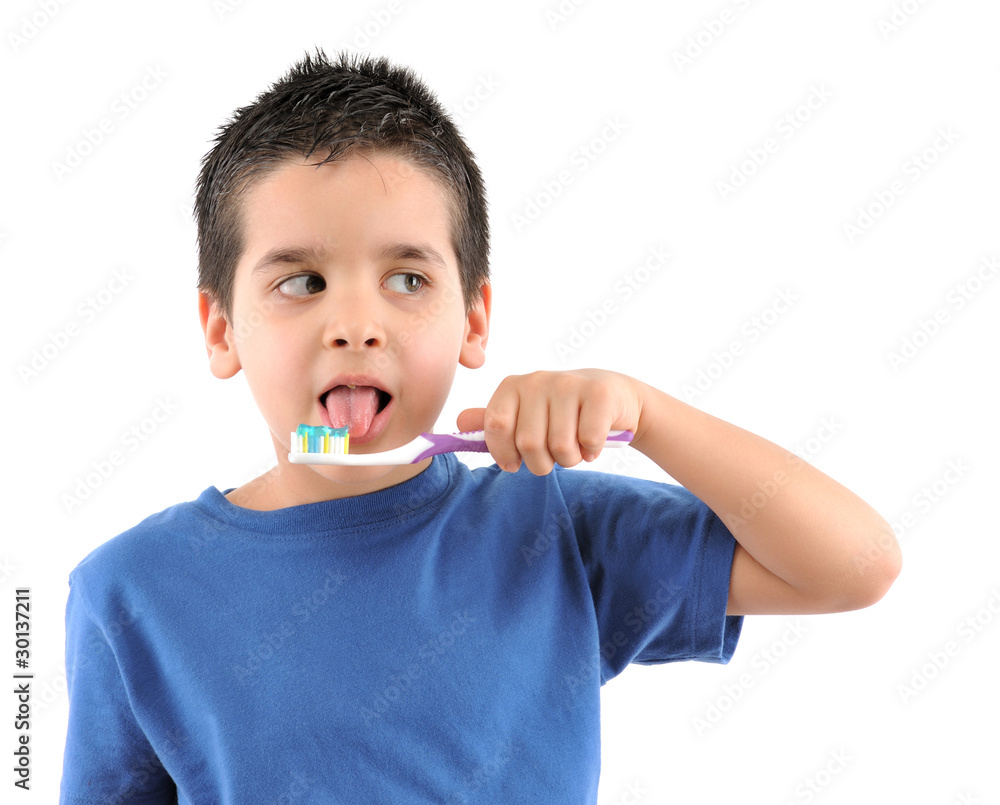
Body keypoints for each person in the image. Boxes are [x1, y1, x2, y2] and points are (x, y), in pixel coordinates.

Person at [60, 49, 901, 803]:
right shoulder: (128, 590)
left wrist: (647, 415)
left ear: (473, 318)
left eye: (408, 279)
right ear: (219, 329)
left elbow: (857, 564)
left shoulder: (550, 527)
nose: (357, 322)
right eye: (303, 281)